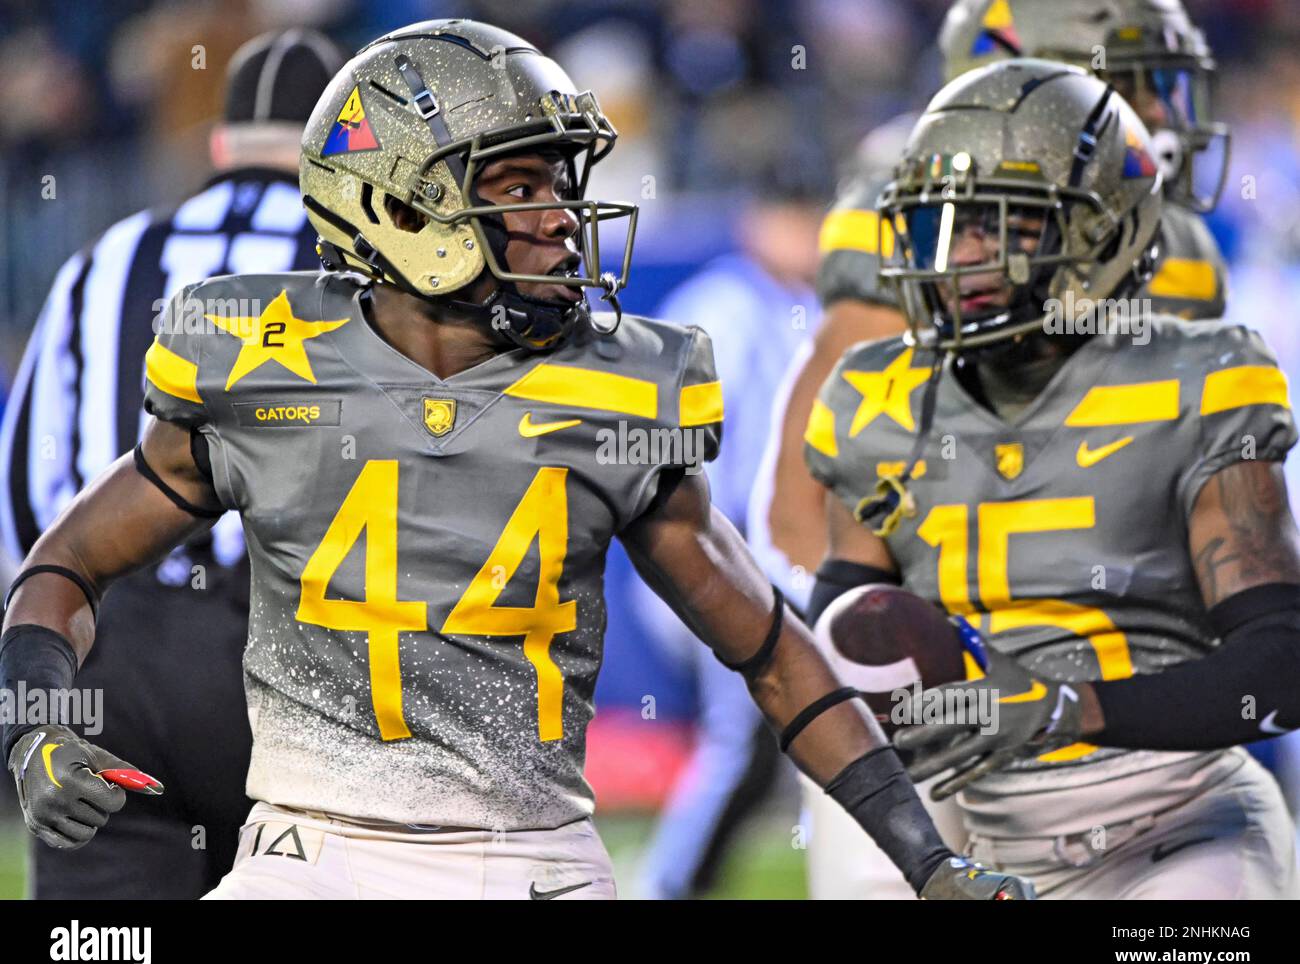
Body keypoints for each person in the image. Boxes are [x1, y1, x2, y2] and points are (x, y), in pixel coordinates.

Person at [1, 19, 1030, 901]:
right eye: (519, 183)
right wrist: (35, 730)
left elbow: (768, 650)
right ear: (398, 207)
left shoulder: (612, 385)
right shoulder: (258, 360)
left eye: (561, 181)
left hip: (529, 861)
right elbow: (63, 569)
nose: (560, 219)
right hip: (307, 856)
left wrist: (924, 859)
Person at [764, 0, 1240, 899]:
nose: (1168, 116)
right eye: (1137, 80)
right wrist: (858, 628)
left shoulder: (1171, 240)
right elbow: (862, 448)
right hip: (930, 624)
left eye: (1165, 83)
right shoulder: (927, 207)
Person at [0, 28, 347, 899]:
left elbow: (22, 494)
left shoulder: (102, 261)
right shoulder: (356, 268)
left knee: (104, 945)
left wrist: (39, 674)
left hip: (103, 644)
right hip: (290, 660)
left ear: (219, 144)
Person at [634, 170, 822, 899]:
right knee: (740, 740)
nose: (806, 238)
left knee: (764, 749)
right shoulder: (722, 306)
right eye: (794, 220)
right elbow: (672, 455)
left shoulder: (801, 307)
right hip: (712, 551)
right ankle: (665, 887)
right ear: (758, 221)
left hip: (774, 562)